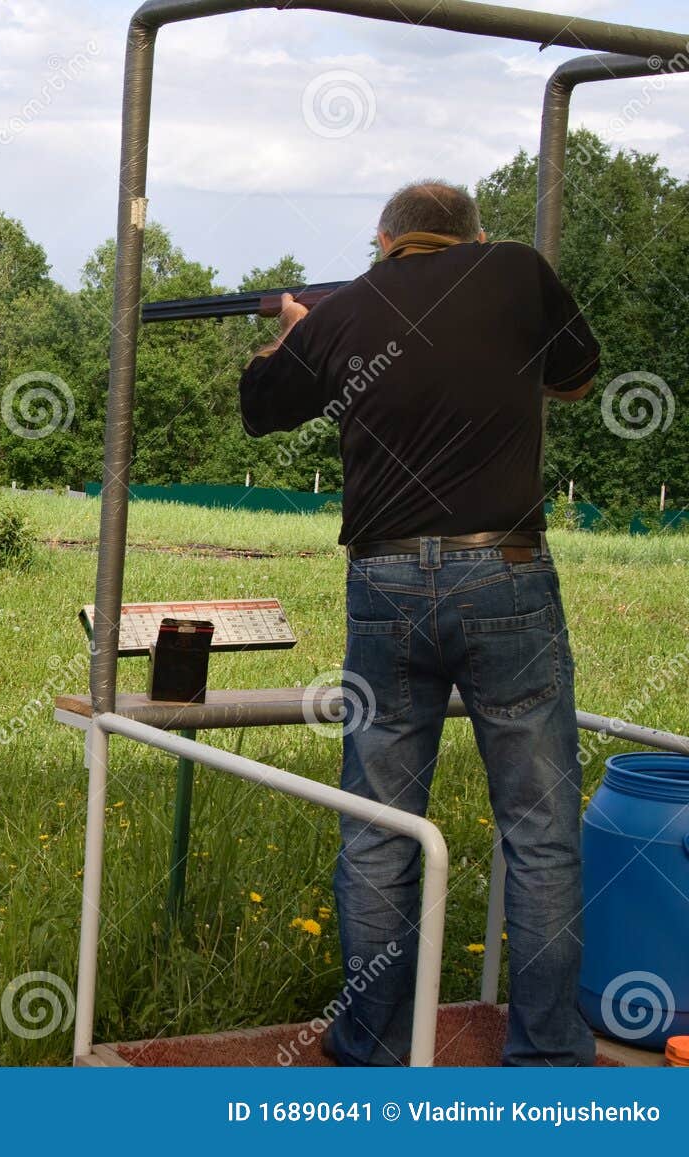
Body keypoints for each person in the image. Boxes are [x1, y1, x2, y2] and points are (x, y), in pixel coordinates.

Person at [238, 180, 602, 1066]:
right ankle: (550, 1054)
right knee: (541, 827)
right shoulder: (514, 270)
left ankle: (372, 1042)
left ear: (384, 239)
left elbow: (260, 406)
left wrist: (297, 328)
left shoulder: (348, 310)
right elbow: (580, 376)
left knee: (379, 825)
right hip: (507, 568)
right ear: (475, 234)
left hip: (385, 578)